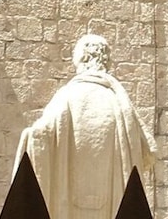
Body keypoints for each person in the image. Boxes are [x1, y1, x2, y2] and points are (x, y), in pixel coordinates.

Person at [15, 34, 157, 219]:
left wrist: (28, 136)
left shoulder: (68, 96)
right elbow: (146, 152)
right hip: (113, 206)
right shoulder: (120, 104)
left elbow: (41, 135)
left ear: (83, 57)